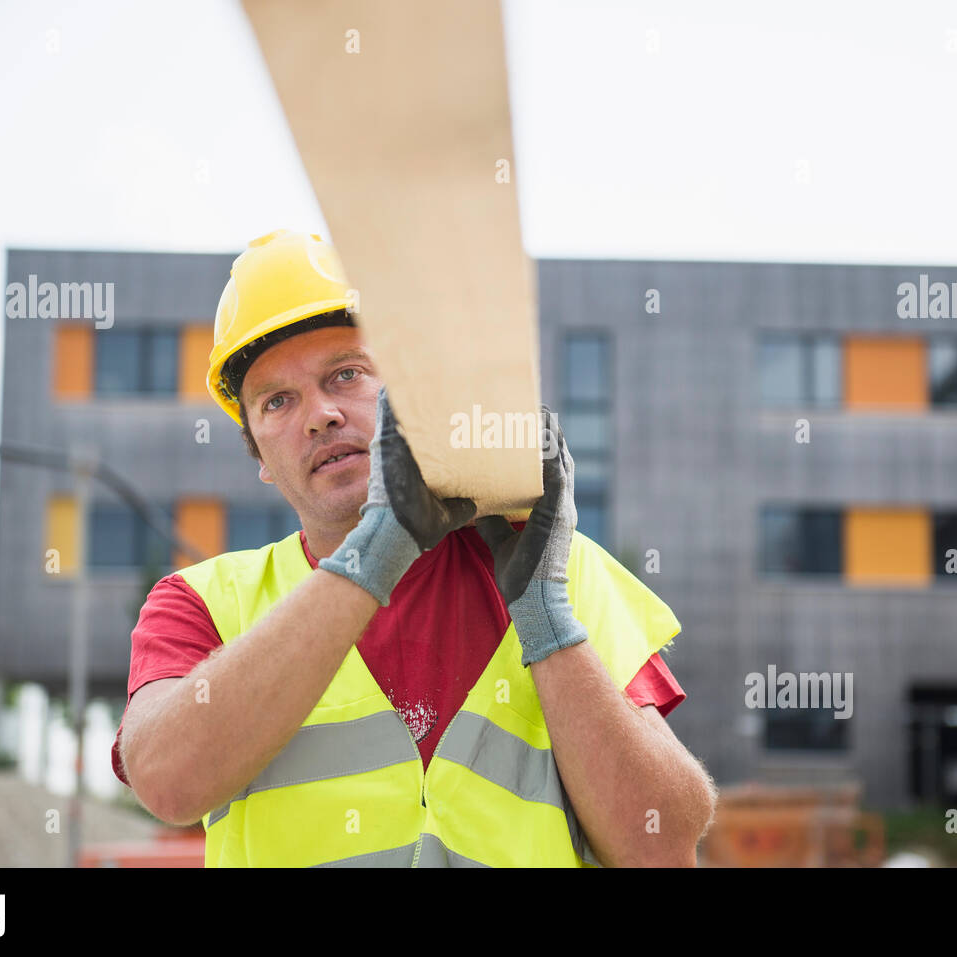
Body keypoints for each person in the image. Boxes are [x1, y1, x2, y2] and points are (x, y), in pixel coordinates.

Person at [111, 229, 717, 866]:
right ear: (259, 456)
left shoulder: (560, 569)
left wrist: (546, 617)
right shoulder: (203, 603)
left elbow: (662, 848)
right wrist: (372, 554)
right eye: (277, 401)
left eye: (345, 374)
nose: (319, 415)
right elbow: (166, 782)